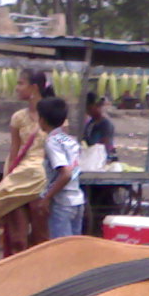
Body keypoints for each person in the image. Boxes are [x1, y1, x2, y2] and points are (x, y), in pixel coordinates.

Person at [0, 68, 48, 256]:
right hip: (19, 182)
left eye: (20, 83)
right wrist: (6, 180)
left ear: (34, 88)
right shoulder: (19, 117)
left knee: (40, 239)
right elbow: (14, 152)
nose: (17, 88)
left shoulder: (54, 115)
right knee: (17, 239)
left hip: (42, 184)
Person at [38, 96, 85, 239]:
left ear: (43, 120)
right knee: (73, 249)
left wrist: (47, 197)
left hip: (62, 203)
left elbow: (65, 174)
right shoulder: (69, 140)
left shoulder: (52, 142)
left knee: (62, 250)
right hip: (77, 200)